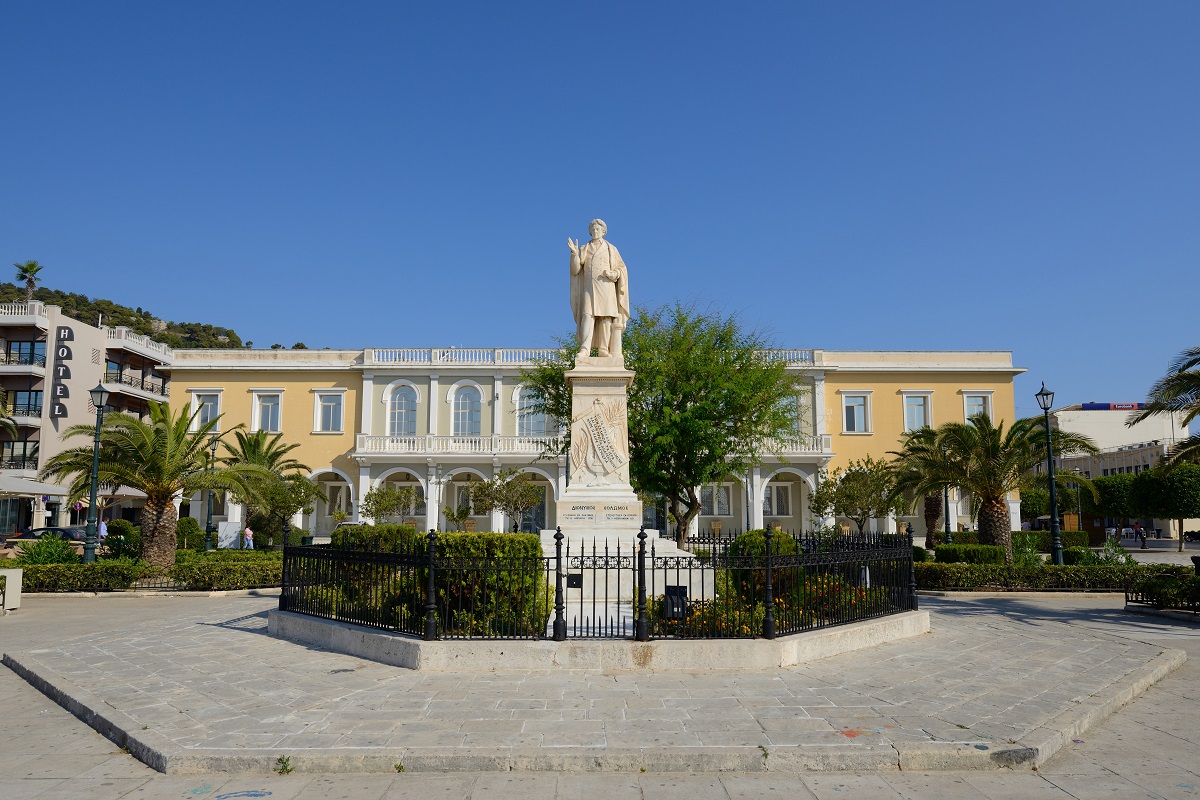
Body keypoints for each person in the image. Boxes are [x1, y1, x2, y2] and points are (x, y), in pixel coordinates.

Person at [568, 219, 630, 359]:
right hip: (589, 289)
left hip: (606, 287)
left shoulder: (611, 249)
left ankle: (603, 349)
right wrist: (574, 254)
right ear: (590, 232)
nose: (595, 232)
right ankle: (585, 349)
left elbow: (621, 268)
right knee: (587, 316)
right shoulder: (584, 248)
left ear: (603, 232)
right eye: (593, 229)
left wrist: (613, 274)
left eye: (598, 229)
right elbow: (575, 270)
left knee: (606, 317)